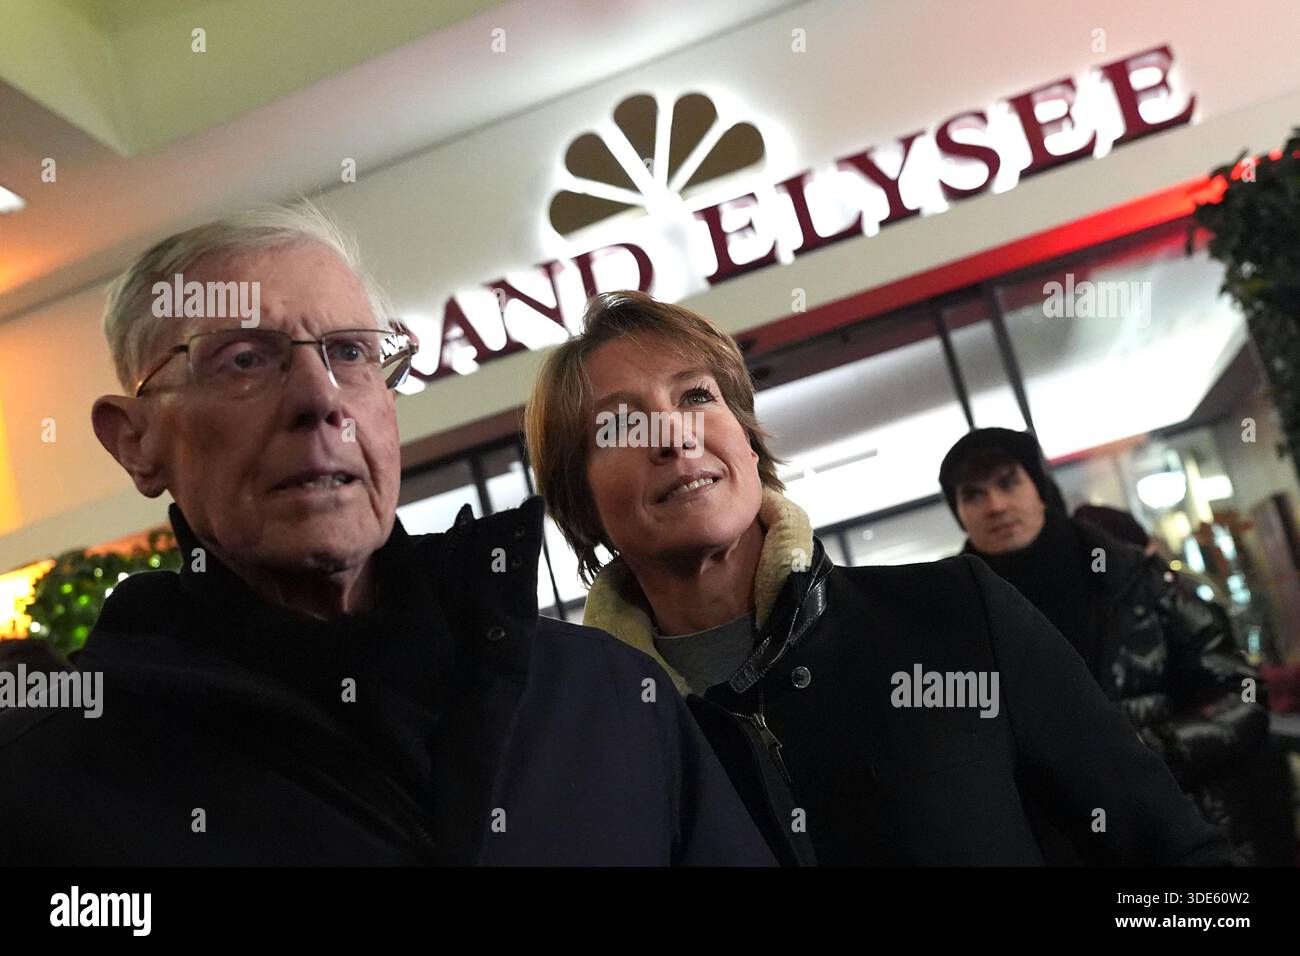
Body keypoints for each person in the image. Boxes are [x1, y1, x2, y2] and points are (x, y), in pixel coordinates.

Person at [0, 204, 774, 867]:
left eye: (349, 352)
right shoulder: (55, 793)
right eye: (242, 359)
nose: (319, 398)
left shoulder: (607, 694)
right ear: (135, 441)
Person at [524, 289, 1238, 866]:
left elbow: (1176, 856)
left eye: (697, 397)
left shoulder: (958, 614)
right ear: (578, 502)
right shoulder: (576, 742)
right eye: (619, 426)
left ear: (745, 436)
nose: (674, 436)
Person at [938, 427, 1269, 861]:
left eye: (1008, 482)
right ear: (960, 512)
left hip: (1180, 831)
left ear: (1039, 487)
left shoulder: (1132, 579)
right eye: (973, 495)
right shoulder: (953, 618)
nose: (996, 505)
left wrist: (1153, 750)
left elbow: (1240, 692)